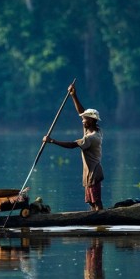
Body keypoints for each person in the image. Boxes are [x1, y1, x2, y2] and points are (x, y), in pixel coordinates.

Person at [43, 82, 104, 211]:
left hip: (93, 172)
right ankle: (94, 222)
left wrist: (52, 141)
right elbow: (81, 112)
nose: (82, 120)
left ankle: (101, 223)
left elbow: (72, 145)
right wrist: (73, 95)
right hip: (88, 173)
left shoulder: (92, 137)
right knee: (91, 203)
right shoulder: (92, 129)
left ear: (91, 120)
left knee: (97, 202)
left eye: (85, 119)